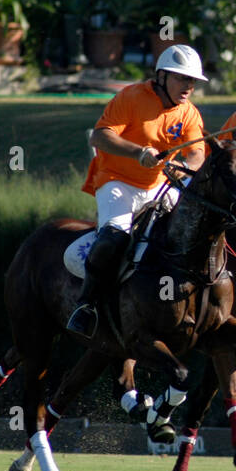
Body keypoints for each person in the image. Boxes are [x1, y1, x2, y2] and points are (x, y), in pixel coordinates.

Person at [65, 43, 208, 339]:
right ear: (162, 76)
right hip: (117, 181)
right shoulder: (131, 97)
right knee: (115, 236)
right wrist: (138, 153)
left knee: (194, 226)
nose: (188, 86)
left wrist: (182, 168)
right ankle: (87, 305)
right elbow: (100, 137)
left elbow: (197, 154)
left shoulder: (190, 113)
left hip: (160, 184)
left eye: (192, 81)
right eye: (182, 78)